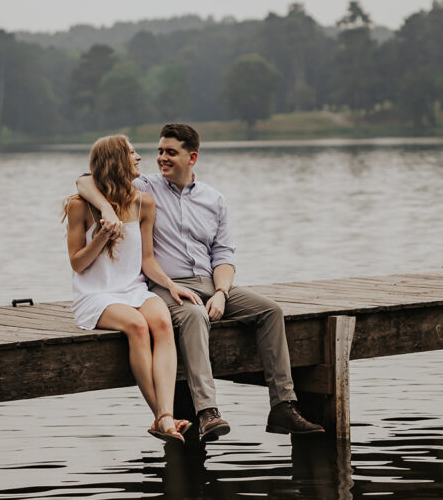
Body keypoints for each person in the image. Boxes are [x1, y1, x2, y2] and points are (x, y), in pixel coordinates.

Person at [77, 123, 324, 442]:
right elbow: (85, 179)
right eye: (159, 151)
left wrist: (221, 293)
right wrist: (108, 208)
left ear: (191, 157)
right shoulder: (145, 188)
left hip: (210, 283)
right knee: (194, 316)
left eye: (171, 153)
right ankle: (207, 411)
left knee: (270, 311)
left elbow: (223, 254)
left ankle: (284, 406)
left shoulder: (214, 199)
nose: (161, 158)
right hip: (167, 287)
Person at [65, 134, 202, 442]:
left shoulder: (145, 203)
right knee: (138, 327)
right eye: (132, 153)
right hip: (96, 295)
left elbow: (148, 260)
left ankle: (164, 415)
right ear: (115, 161)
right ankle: (163, 417)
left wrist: (170, 285)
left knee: (163, 321)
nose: (140, 157)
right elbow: (77, 264)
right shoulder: (80, 207)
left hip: (133, 289)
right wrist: (102, 235)